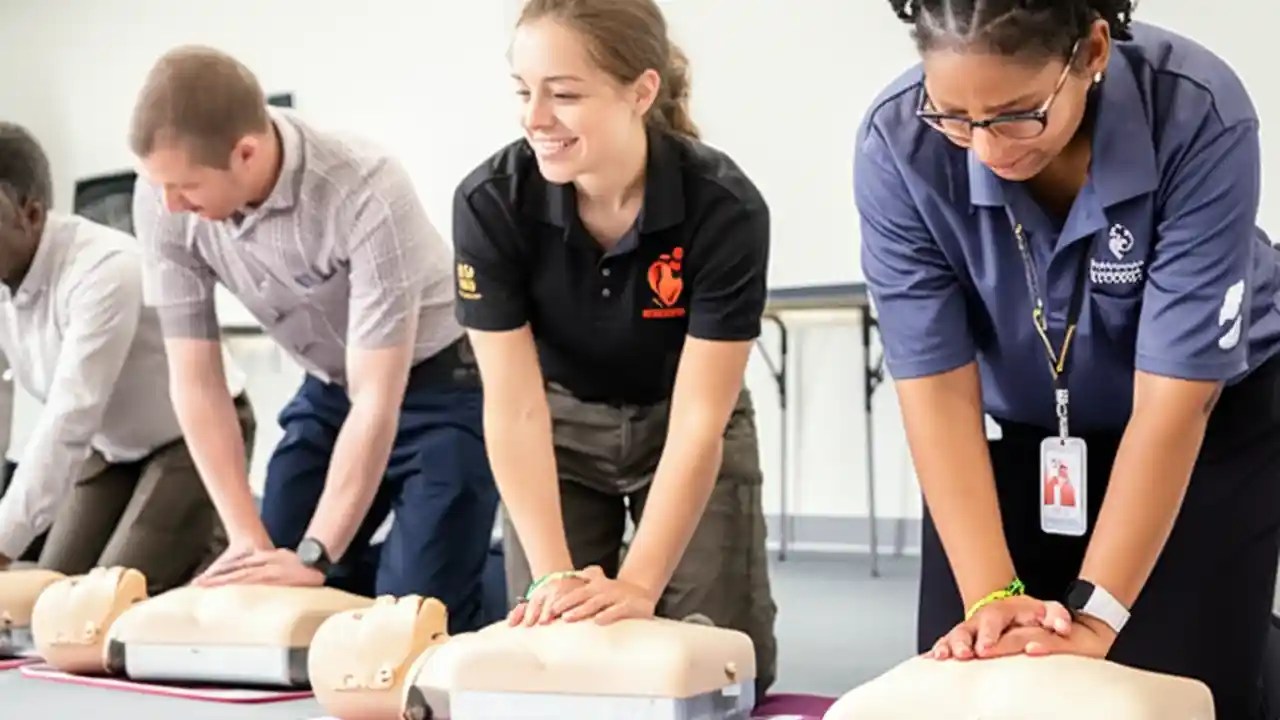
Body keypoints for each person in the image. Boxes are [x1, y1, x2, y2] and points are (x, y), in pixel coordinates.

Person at [858, 1, 1280, 717]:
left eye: (1020, 113)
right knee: (975, 675)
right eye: (955, 116)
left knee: (1178, 685)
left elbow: (1175, 401)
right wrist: (992, 594)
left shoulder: (1196, 114)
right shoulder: (897, 143)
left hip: (1209, 419)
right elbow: (933, 386)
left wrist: (1098, 614)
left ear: (1091, 52)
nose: (987, 150)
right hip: (1028, 430)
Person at [452, 0, 778, 697]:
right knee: (554, 654)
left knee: (718, 663)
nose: (534, 116)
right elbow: (512, 408)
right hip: (560, 426)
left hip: (682, 422)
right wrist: (550, 578)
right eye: (523, 89)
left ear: (643, 90)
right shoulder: (490, 203)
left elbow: (699, 420)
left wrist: (638, 584)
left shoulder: (724, 207)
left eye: (564, 93)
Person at [128, 46, 500, 634]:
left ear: (245, 153)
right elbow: (197, 381)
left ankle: (471, 572)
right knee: (267, 593)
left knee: (410, 620)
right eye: (161, 187)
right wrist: (249, 544)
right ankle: (377, 569)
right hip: (330, 390)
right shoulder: (161, 200)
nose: (170, 205)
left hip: (442, 386)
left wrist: (315, 556)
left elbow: (380, 395)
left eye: (186, 187)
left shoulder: (364, 186)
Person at [0, 122, 254, 594]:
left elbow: (68, 419)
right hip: (109, 447)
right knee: (46, 593)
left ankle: (210, 542)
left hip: (187, 437)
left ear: (30, 214)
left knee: (105, 602)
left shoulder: (104, 269)